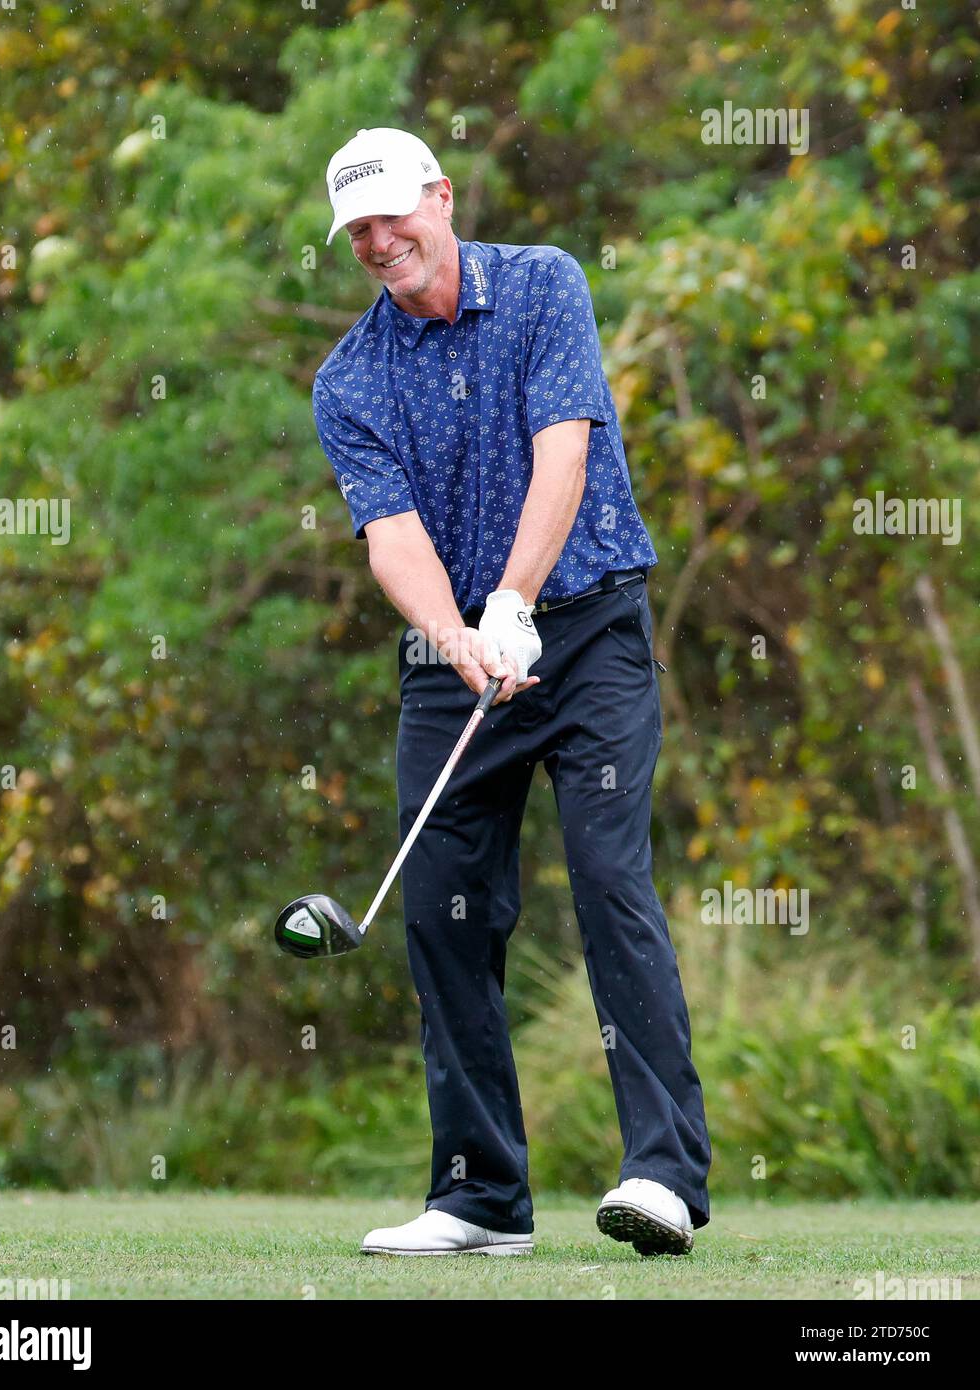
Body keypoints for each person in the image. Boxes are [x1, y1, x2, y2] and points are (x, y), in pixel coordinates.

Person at [313, 127, 711, 1257]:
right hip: (457, 662)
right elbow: (390, 539)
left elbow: (564, 455)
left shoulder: (543, 284)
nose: (381, 241)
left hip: (585, 630)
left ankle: (663, 1176)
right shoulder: (348, 378)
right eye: (358, 231)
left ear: (440, 196)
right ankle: (478, 1195)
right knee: (444, 908)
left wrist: (513, 597)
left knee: (603, 874)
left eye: (394, 214)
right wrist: (456, 634)